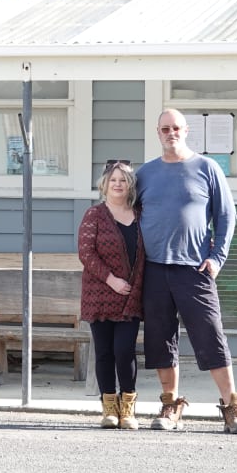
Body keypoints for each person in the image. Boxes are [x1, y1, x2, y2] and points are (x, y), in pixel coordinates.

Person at [135, 108, 237, 434]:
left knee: (211, 336)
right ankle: (170, 407)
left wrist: (217, 258)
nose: (170, 133)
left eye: (176, 128)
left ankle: (233, 409)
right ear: (158, 133)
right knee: (160, 340)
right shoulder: (145, 174)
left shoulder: (207, 168)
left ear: (186, 131)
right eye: (164, 128)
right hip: (154, 269)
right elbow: (131, 215)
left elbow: (227, 216)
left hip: (195, 269)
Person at [78, 159, 146, 429]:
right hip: (100, 294)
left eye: (124, 180)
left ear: (130, 185)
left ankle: (127, 408)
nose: (118, 184)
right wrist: (112, 280)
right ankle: (109, 409)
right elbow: (86, 254)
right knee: (104, 352)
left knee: (125, 351)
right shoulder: (94, 215)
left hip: (131, 295)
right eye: (113, 179)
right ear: (104, 184)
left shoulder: (141, 214)